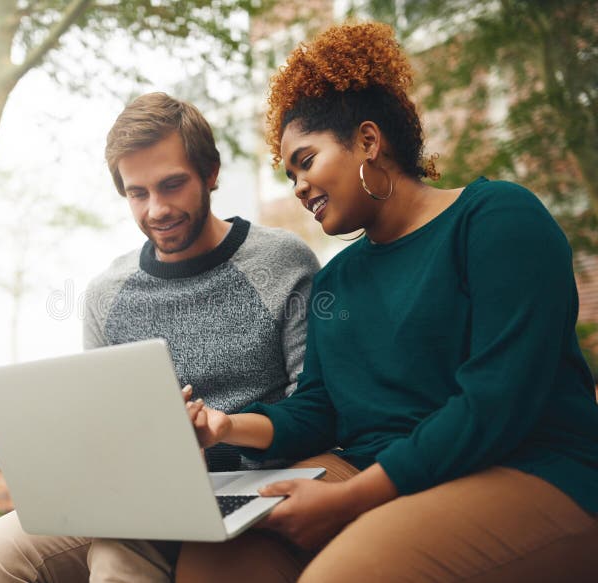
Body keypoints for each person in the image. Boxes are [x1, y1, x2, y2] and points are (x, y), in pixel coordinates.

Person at [176, 22, 598, 583]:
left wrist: (351, 501)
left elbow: (496, 402)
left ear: (369, 142)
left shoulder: (496, 218)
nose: (297, 187)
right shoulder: (335, 281)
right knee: (212, 561)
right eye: (289, 174)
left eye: (306, 160)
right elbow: (318, 410)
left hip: (526, 467)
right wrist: (225, 426)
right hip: (375, 474)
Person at [0, 92, 320, 582]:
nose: (157, 209)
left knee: (116, 561)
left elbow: (314, 410)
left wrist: (223, 430)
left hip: (252, 486)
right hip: (139, 495)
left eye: (172, 185)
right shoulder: (106, 293)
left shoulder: (281, 262)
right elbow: (103, 430)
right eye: (138, 193)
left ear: (211, 173)